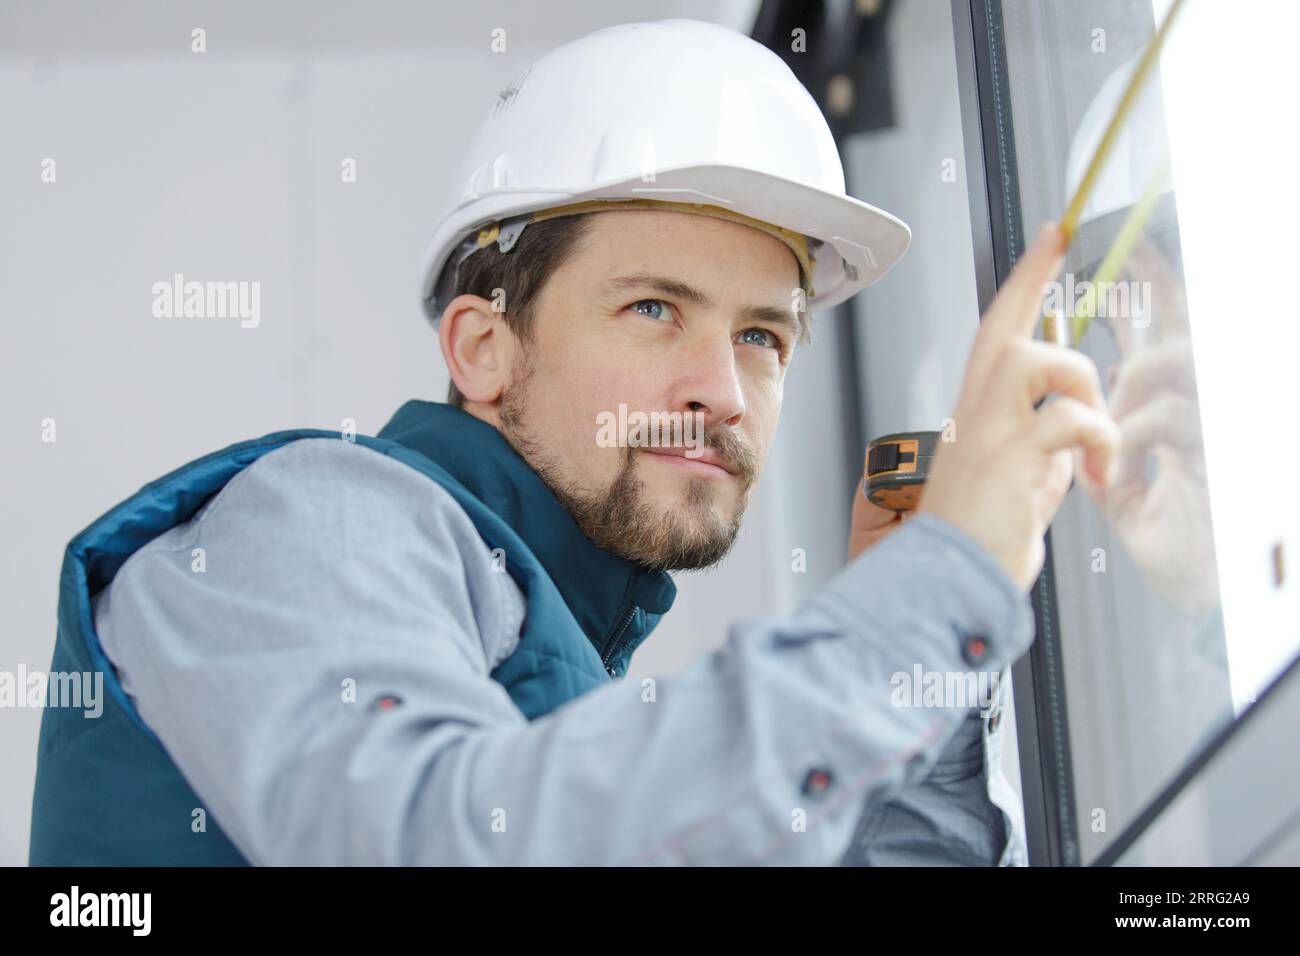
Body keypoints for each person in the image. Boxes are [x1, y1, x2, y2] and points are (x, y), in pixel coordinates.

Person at [29, 19, 1118, 866]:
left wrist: (921, 674)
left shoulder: (565, 699)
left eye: (761, 335)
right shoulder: (316, 517)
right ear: (484, 348)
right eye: (653, 308)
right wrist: (929, 594)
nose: (724, 391)